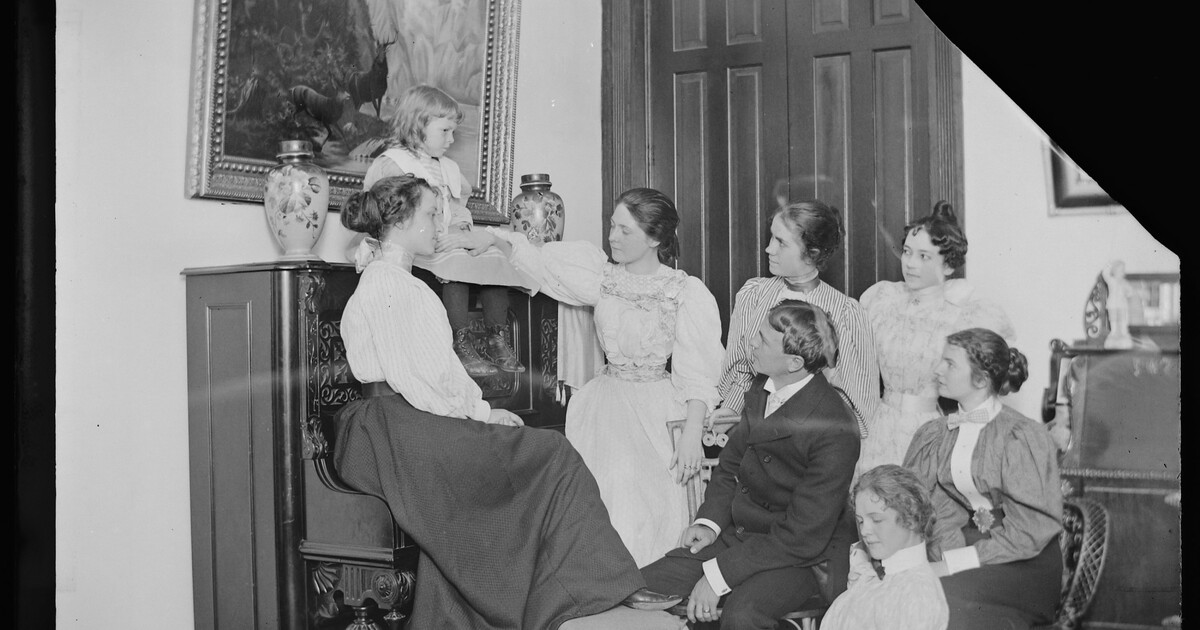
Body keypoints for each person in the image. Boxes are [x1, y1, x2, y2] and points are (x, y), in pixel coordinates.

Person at [332, 175, 685, 629]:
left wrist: (481, 411)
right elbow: (424, 380)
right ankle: (595, 588)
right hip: (392, 431)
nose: (439, 224)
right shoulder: (389, 284)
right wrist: (482, 414)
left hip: (403, 421)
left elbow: (433, 377)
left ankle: (596, 587)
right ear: (400, 222)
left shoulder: (398, 280)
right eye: (431, 214)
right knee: (553, 452)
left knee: (542, 456)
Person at [479, 187, 726, 567]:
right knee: (606, 499)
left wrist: (693, 432)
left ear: (655, 239)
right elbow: (539, 261)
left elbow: (699, 373)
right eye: (612, 226)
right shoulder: (601, 277)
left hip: (657, 410)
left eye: (625, 231)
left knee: (652, 506)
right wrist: (490, 238)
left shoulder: (684, 291)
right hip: (604, 408)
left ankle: (649, 584)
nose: (613, 237)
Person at [638, 300, 861, 630]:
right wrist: (710, 523)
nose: (752, 342)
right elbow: (730, 466)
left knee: (741, 615)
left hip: (804, 557)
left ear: (794, 362)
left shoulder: (836, 426)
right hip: (743, 540)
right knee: (637, 588)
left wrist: (718, 576)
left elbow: (802, 536)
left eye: (764, 340)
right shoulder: (762, 387)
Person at [362, 84, 535, 377]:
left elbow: (456, 207)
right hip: (412, 244)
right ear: (418, 125)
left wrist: (462, 229)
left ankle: (496, 337)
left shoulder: (447, 168)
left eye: (453, 132)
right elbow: (387, 212)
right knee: (455, 260)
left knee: (489, 253)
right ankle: (461, 340)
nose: (451, 139)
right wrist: (433, 233)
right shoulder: (394, 164)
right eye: (445, 131)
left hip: (443, 236)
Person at [904, 328, 1063, 630]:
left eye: (950, 364)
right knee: (909, 591)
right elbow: (934, 510)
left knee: (939, 599)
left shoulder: (1021, 436)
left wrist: (950, 564)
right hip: (970, 546)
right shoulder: (936, 434)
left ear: (980, 380)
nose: (938, 370)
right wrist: (940, 557)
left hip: (1024, 559)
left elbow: (1028, 533)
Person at [857, 201, 1014, 474]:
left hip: (928, 428)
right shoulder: (883, 299)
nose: (910, 264)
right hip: (879, 423)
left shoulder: (962, 312)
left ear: (948, 265)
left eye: (924, 257)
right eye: (907, 252)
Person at [716, 199, 878, 437]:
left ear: (812, 253)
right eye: (771, 238)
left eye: (781, 242)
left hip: (809, 440)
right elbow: (742, 372)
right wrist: (729, 412)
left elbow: (856, 406)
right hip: (752, 432)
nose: (769, 249)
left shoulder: (846, 314)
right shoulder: (753, 295)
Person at [821, 464, 949, 630]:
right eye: (860, 521)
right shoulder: (870, 579)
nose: (864, 531)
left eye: (876, 520)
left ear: (911, 519)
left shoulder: (917, 592)